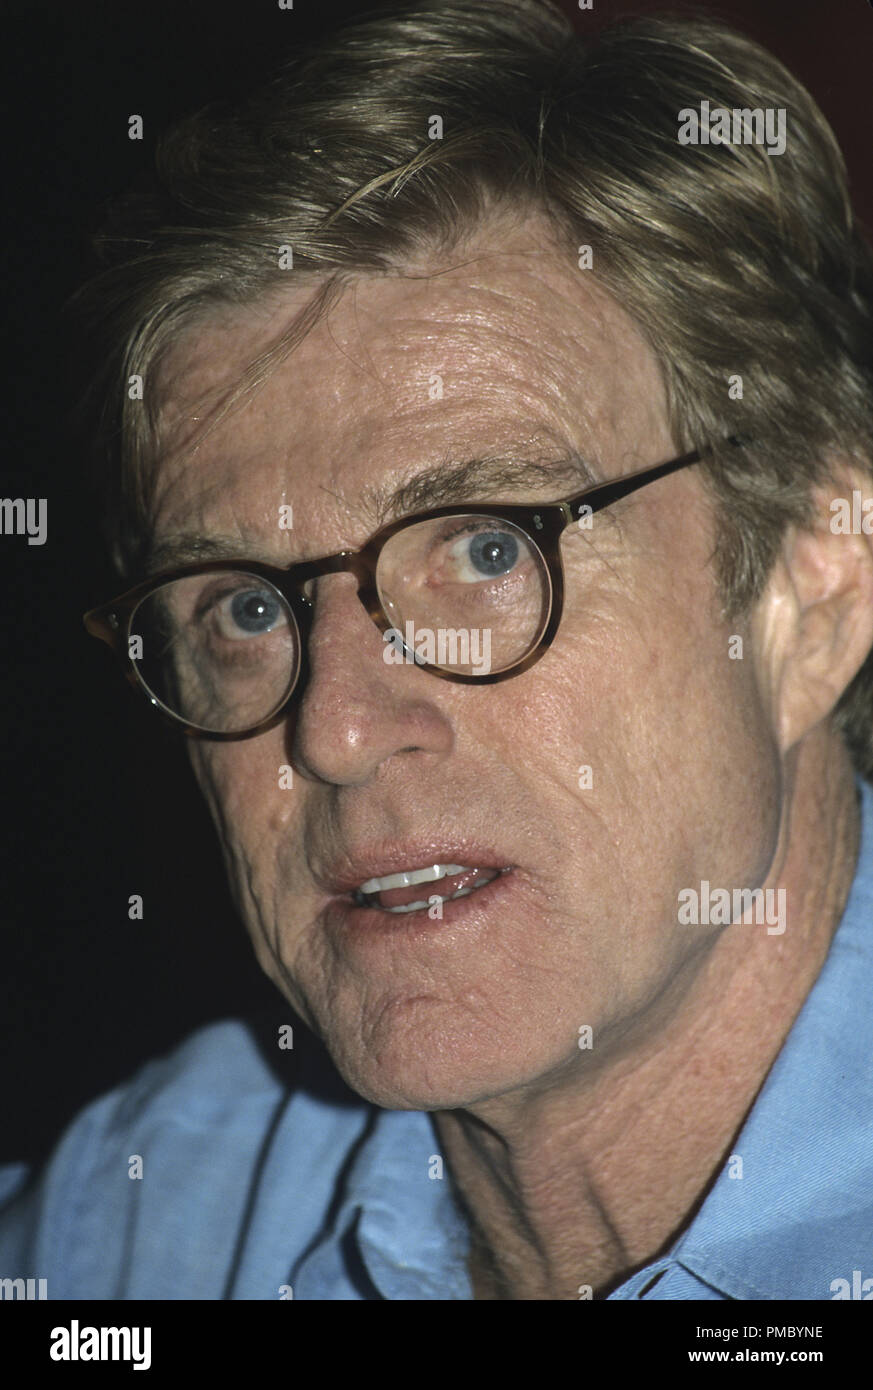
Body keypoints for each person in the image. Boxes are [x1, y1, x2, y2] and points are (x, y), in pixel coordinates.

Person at [2, 0, 872, 1301]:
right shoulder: (146, 1209)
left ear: (815, 586)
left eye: (482, 550)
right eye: (244, 608)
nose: (336, 729)